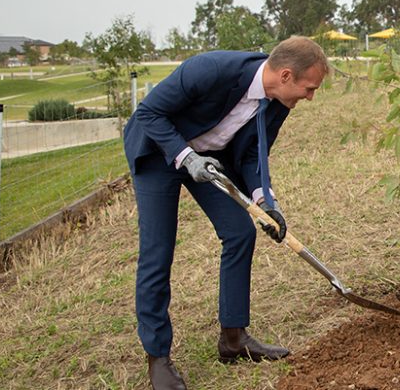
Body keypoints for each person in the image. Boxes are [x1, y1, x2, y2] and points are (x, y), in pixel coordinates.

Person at [123, 36, 328, 390]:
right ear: (285, 75)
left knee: (240, 233)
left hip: (210, 162)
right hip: (159, 152)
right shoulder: (212, 69)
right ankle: (158, 358)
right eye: (309, 88)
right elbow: (148, 113)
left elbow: (252, 155)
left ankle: (233, 339)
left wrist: (267, 203)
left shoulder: (278, 102)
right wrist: (185, 157)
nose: (310, 97)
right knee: (158, 253)